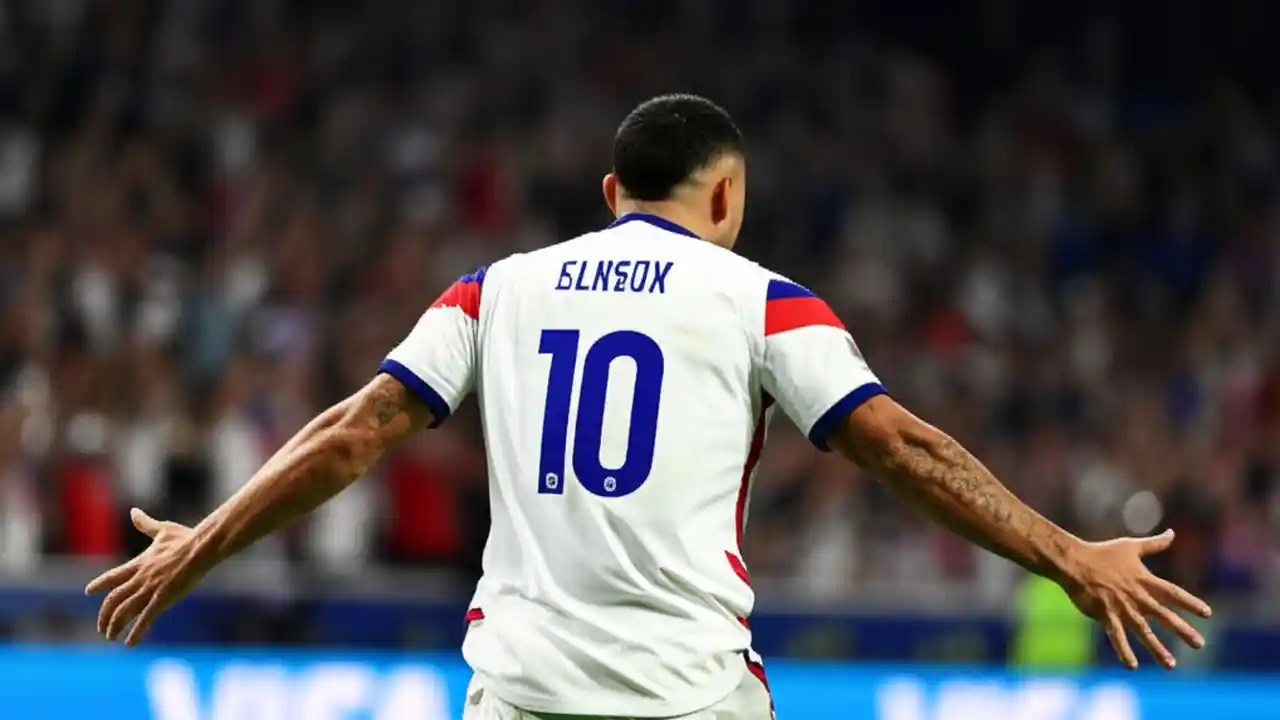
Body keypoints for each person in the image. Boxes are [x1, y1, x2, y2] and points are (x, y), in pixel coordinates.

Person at [87, 94, 1211, 719]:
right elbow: (901, 447)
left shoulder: (496, 286)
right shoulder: (767, 303)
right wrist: (1068, 553)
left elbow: (350, 434)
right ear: (724, 195)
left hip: (520, 699)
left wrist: (201, 545)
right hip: (685, 699)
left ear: (610, 195)